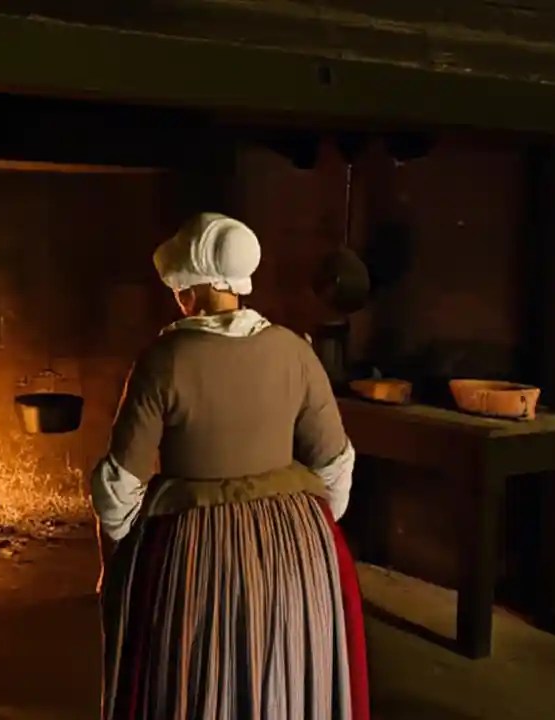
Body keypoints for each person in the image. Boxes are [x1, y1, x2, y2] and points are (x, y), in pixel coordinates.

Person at [91, 212, 369, 720]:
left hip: (197, 555)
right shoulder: (295, 351)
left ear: (189, 291)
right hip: (297, 556)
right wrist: (307, 532)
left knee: (199, 682)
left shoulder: (165, 357)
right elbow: (336, 466)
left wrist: (118, 565)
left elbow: (119, 490)